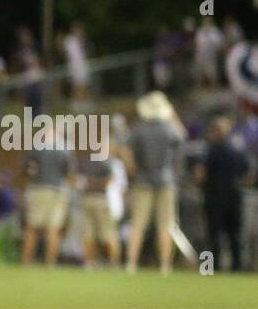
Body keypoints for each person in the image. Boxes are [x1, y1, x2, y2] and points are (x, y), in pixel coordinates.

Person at [123, 90, 185, 274]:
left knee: (137, 225)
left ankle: (131, 263)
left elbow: (125, 149)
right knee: (166, 225)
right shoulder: (168, 128)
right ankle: (165, 266)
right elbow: (182, 136)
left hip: (143, 179)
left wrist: (131, 167)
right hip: (165, 181)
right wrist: (172, 115)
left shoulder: (139, 128)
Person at [195, 117, 250, 271]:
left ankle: (210, 267)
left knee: (213, 234)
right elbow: (248, 173)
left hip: (214, 196)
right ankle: (237, 267)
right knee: (235, 234)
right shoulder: (238, 150)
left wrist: (199, 184)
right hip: (234, 195)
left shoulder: (210, 150)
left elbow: (201, 173)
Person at [20, 145, 75, 267]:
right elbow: (70, 173)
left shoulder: (35, 148)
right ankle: (50, 263)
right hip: (57, 191)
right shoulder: (64, 149)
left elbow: (25, 169)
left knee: (32, 227)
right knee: (53, 227)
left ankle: (25, 261)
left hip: (37, 189)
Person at [77, 151, 119, 267]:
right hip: (100, 199)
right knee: (106, 233)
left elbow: (78, 180)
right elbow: (110, 180)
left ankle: (89, 262)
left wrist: (91, 184)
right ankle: (111, 262)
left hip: (88, 198)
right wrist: (98, 184)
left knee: (89, 233)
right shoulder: (107, 162)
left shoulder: (84, 161)